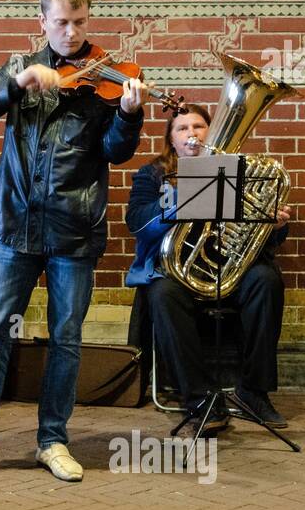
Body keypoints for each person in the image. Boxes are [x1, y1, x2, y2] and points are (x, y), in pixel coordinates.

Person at [0, 0, 146, 483]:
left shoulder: (108, 77)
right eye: (62, 22)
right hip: (13, 224)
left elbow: (114, 152)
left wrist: (129, 116)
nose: (71, 33)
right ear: (42, 21)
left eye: (81, 22)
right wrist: (16, 84)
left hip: (74, 227)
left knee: (66, 339)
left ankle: (53, 441)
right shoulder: (21, 67)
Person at [124, 103, 291, 430]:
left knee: (266, 281)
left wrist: (274, 225)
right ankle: (200, 399)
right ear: (171, 139)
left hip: (231, 272)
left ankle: (253, 392)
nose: (191, 134)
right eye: (182, 129)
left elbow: (264, 240)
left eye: (198, 127)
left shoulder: (236, 171)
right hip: (176, 273)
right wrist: (178, 203)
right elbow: (137, 223)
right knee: (161, 295)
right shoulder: (153, 175)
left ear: (210, 133)